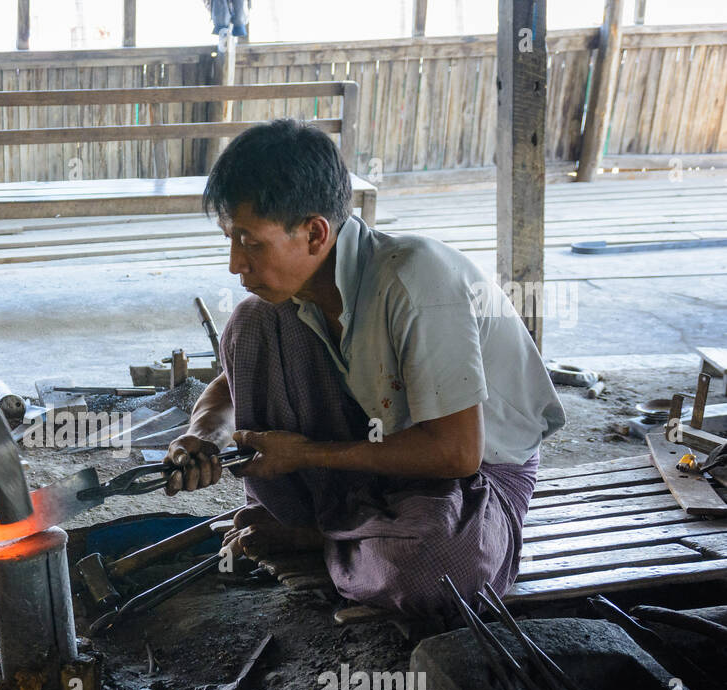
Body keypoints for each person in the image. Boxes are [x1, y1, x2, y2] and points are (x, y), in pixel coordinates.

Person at [166, 119, 564, 618]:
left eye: (250, 242)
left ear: (315, 233)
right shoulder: (300, 291)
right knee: (251, 322)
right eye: (231, 239)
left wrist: (307, 455)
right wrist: (203, 434)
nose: (234, 263)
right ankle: (350, 533)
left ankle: (321, 537)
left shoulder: (414, 282)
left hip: (477, 477)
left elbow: (458, 453)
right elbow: (233, 381)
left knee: (435, 570)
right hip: (383, 456)